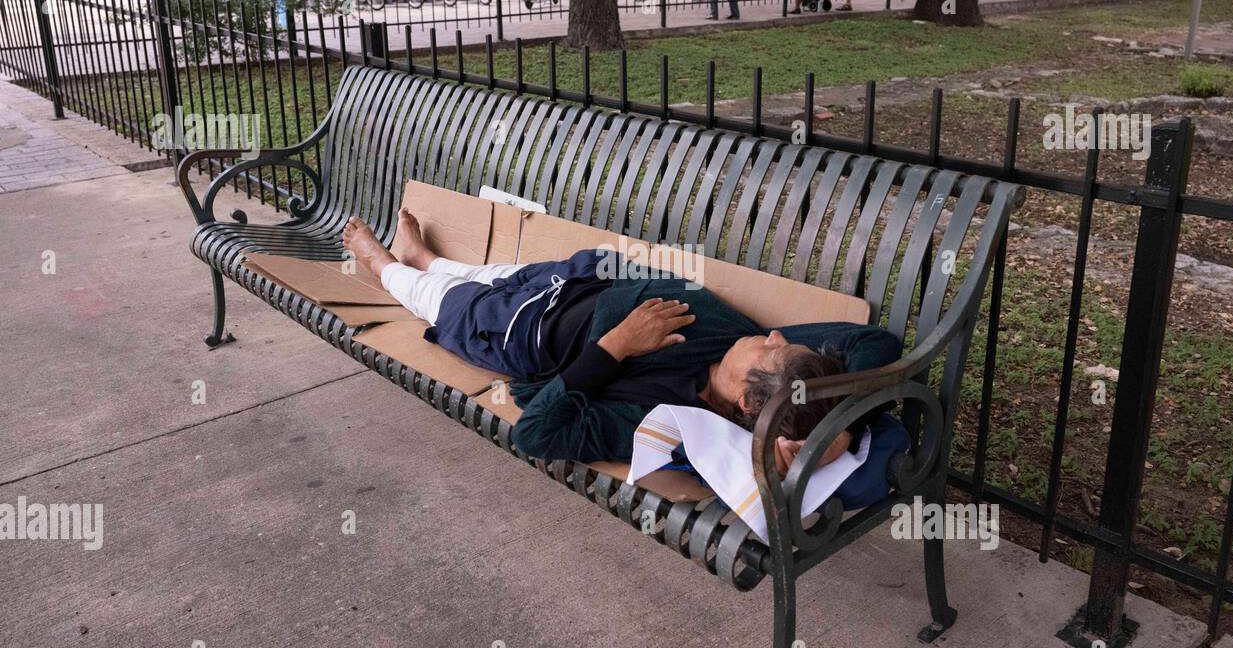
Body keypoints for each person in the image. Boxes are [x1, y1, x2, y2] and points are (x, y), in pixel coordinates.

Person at [341, 211, 901, 470]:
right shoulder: (756, 350)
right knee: (486, 275)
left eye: (773, 349)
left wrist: (616, 346)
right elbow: (873, 339)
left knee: (444, 300)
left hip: (520, 332)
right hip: (574, 278)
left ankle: (386, 266)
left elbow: (538, 434)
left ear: (747, 402)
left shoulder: (664, 422)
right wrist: (839, 433)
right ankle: (429, 259)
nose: (775, 334)